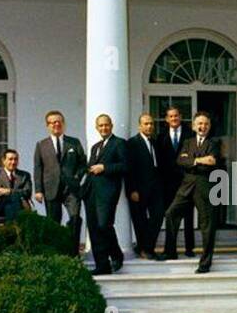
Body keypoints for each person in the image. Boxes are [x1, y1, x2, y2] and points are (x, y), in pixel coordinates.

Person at [158, 110, 227, 273]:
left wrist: (191, 160)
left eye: (206, 124)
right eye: (200, 123)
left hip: (205, 186)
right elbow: (180, 160)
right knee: (171, 214)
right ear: (194, 126)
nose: (203, 126)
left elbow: (213, 161)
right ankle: (170, 251)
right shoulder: (188, 141)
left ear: (209, 126)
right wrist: (198, 160)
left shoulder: (215, 143)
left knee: (207, 224)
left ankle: (205, 262)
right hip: (187, 185)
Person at [33, 110, 86, 251]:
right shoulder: (41, 145)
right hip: (51, 188)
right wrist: (38, 190)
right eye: (53, 122)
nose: (56, 124)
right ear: (47, 125)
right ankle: (56, 252)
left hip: (71, 189)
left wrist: (77, 177)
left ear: (63, 124)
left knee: (75, 219)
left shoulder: (74, 142)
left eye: (59, 121)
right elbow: (38, 168)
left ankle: (73, 252)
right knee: (53, 223)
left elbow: (83, 163)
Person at [82, 114, 127, 275]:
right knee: (94, 229)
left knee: (104, 225)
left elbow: (125, 166)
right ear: (97, 128)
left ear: (111, 126)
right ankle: (102, 265)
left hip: (107, 192)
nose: (103, 128)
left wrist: (104, 168)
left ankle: (116, 255)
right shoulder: (95, 147)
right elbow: (90, 167)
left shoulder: (119, 143)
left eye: (106, 125)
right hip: (91, 193)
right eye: (100, 126)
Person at [154, 106, 195, 257]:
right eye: (170, 116)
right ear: (166, 119)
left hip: (187, 181)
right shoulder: (160, 137)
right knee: (171, 216)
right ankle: (170, 250)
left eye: (176, 116)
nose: (174, 119)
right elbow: (159, 162)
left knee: (189, 216)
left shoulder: (190, 135)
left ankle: (189, 249)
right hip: (168, 183)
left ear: (181, 116)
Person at [124, 112, 165, 258]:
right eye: (146, 124)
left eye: (151, 124)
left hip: (155, 188)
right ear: (139, 126)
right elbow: (128, 169)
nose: (149, 126)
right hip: (139, 189)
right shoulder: (132, 143)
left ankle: (147, 247)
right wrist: (132, 189)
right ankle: (145, 249)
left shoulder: (155, 142)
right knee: (140, 220)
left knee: (158, 216)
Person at [0, 148, 33, 225]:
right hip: (2, 207)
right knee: (11, 203)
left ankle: (12, 226)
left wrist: (9, 191)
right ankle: (14, 226)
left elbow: (27, 192)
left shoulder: (24, 175)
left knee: (14, 201)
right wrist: (18, 192)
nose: (13, 162)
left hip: (21, 206)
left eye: (15, 159)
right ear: (3, 161)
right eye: (10, 159)